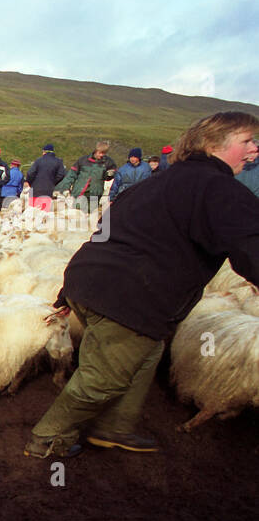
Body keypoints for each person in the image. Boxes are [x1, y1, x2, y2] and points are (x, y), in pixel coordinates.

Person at [26, 111, 259, 458]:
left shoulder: (156, 182)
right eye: (248, 141)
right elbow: (249, 244)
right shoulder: (219, 188)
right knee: (103, 377)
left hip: (89, 282)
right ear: (213, 144)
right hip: (129, 298)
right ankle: (49, 439)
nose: (255, 150)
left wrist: (67, 292)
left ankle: (113, 428)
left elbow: (106, 230)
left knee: (147, 352)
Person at [55, 141, 116, 213]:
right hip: (79, 193)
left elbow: (109, 177)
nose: (102, 155)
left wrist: (110, 174)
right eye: (100, 152)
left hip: (95, 195)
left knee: (91, 217)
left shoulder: (109, 162)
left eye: (104, 153)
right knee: (76, 215)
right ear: (96, 150)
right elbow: (71, 175)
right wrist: (61, 189)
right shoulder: (83, 160)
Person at [26, 143, 67, 211]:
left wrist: (31, 184)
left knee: (32, 212)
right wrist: (53, 182)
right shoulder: (58, 162)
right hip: (48, 190)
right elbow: (61, 175)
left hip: (34, 190)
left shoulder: (38, 160)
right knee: (43, 212)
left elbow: (30, 173)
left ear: (44, 151)